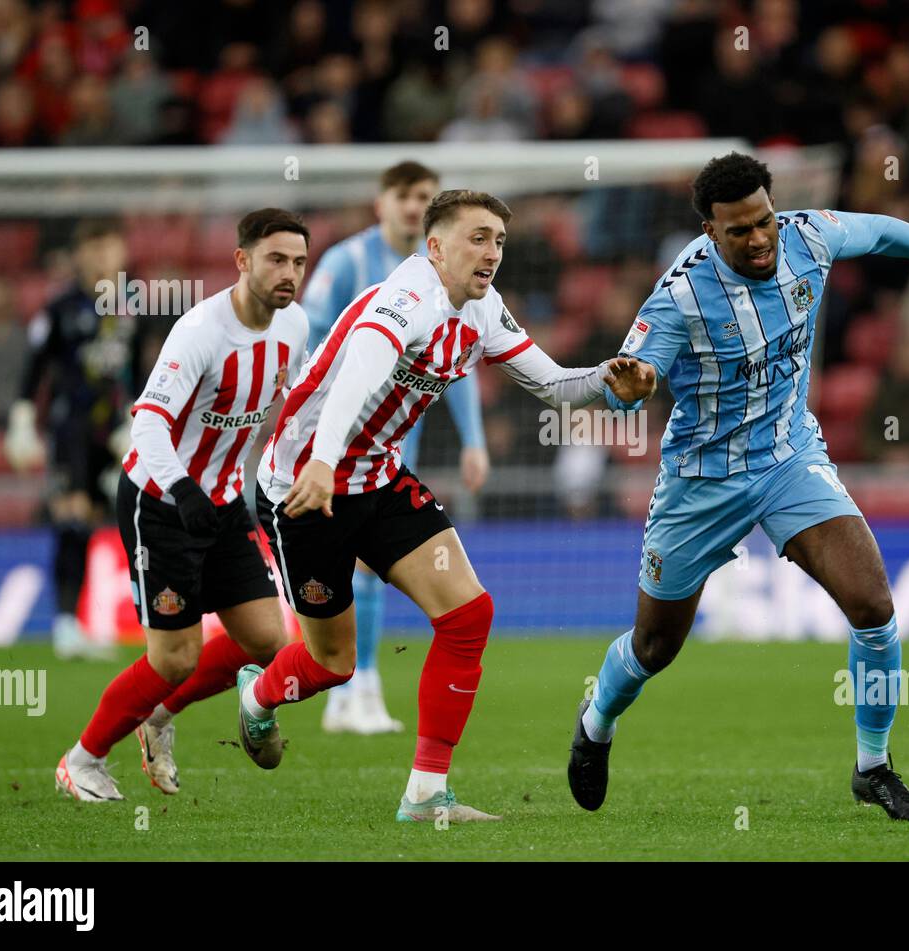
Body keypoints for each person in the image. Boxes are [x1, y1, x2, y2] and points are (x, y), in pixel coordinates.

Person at [568, 152, 909, 820]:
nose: (759, 239)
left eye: (765, 221)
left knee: (873, 603)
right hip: (701, 484)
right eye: (739, 231)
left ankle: (873, 766)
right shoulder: (677, 299)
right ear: (709, 230)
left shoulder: (809, 235)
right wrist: (632, 391)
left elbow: (881, 229)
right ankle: (598, 720)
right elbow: (629, 382)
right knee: (654, 647)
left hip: (789, 459)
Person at [243, 189, 656, 822]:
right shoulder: (405, 300)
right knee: (333, 664)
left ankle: (426, 793)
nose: (491, 252)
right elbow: (356, 375)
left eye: (499, 240)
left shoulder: (483, 309)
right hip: (306, 487)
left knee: (468, 614)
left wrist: (608, 379)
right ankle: (260, 697)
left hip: (376, 479)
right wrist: (323, 464)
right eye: (477, 238)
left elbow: (549, 384)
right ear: (434, 247)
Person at [54, 209, 310, 802]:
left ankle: (159, 717)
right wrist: (185, 489)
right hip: (160, 500)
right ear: (243, 261)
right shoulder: (201, 331)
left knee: (267, 640)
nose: (288, 272)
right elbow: (146, 422)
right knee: (174, 657)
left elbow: (292, 409)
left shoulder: (294, 325)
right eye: (276, 259)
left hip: (223, 503)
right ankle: (82, 760)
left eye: (298, 262)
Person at [301, 160, 488, 735]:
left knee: (368, 569)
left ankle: (359, 686)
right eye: (404, 196)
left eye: (424, 196)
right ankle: (349, 686)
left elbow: (462, 359)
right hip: (333, 447)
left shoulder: (449, 278)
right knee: (350, 567)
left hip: (397, 443)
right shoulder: (346, 263)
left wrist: (474, 441)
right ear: (381, 203)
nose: (413, 206)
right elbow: (308, 341)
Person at [7, 219, 138, 660]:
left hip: (113, 432)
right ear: (81, 255)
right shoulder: (60, 309)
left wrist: (135, 418)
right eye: (97, 249)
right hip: (71, 428)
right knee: (74, 519)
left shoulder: (131, 306)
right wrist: (23, 422)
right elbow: (33, 371)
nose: (106, 258)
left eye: (112, 249)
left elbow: (137, 370)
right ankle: (64, 624)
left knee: (105, 520)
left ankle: (86, 622)